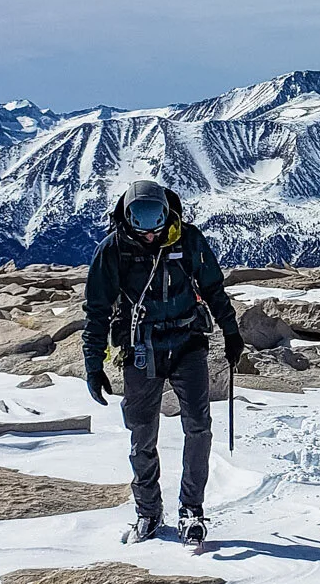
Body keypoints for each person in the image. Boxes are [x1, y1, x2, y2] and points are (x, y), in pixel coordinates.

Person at [83, 178, 244, 544]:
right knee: (142, 435)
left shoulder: (187, 240)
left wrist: (231, 332)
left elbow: (213, 288)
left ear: (167, 212)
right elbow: (97, 310)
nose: (149, 230)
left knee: (199, 427)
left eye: (155, 218)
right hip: (141, 348)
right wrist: (93, 363)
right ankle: (148, 511)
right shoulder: (114, 251)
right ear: (126, 217)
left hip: (188, 342)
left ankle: (192, 510)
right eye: (139, 219)